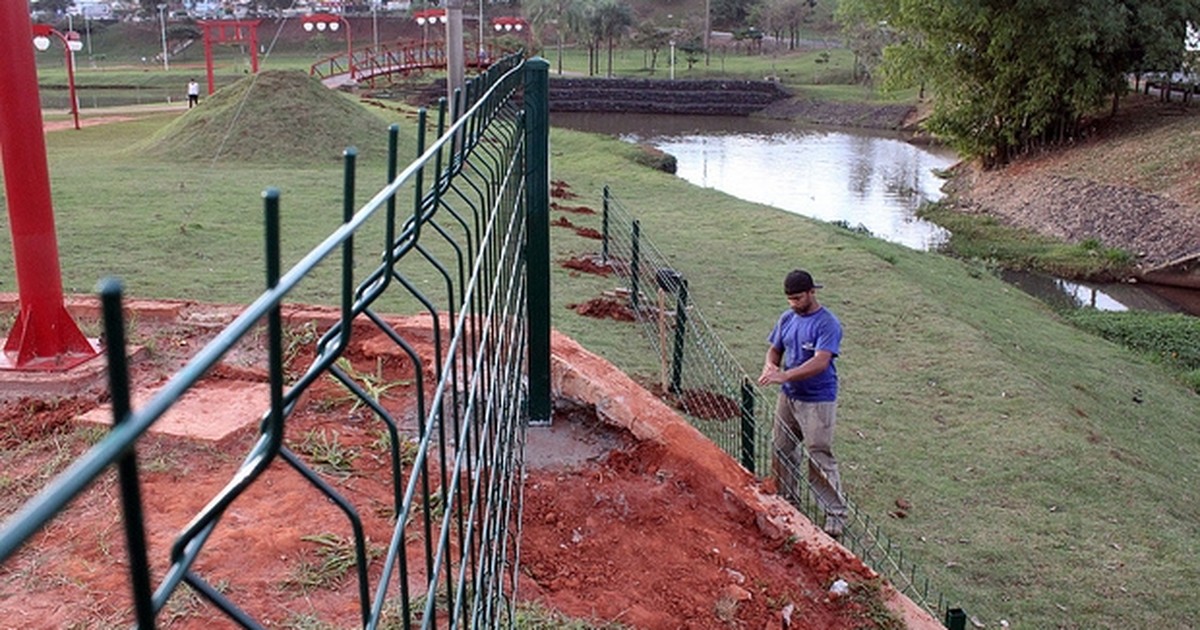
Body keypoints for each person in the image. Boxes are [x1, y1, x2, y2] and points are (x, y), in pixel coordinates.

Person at [758, 269, 848, 538]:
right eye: (789, 299)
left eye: (798, 298)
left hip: (817, 399)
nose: (793, 304)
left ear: (812, 292)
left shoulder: (827, 324)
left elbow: (821, 361)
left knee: (819, 453)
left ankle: (835, 515)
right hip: (788, 396)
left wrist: (784, 375)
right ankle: (788, 501)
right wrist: (771, 364)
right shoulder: (788, 318)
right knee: (782, 447)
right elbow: (775, 348)